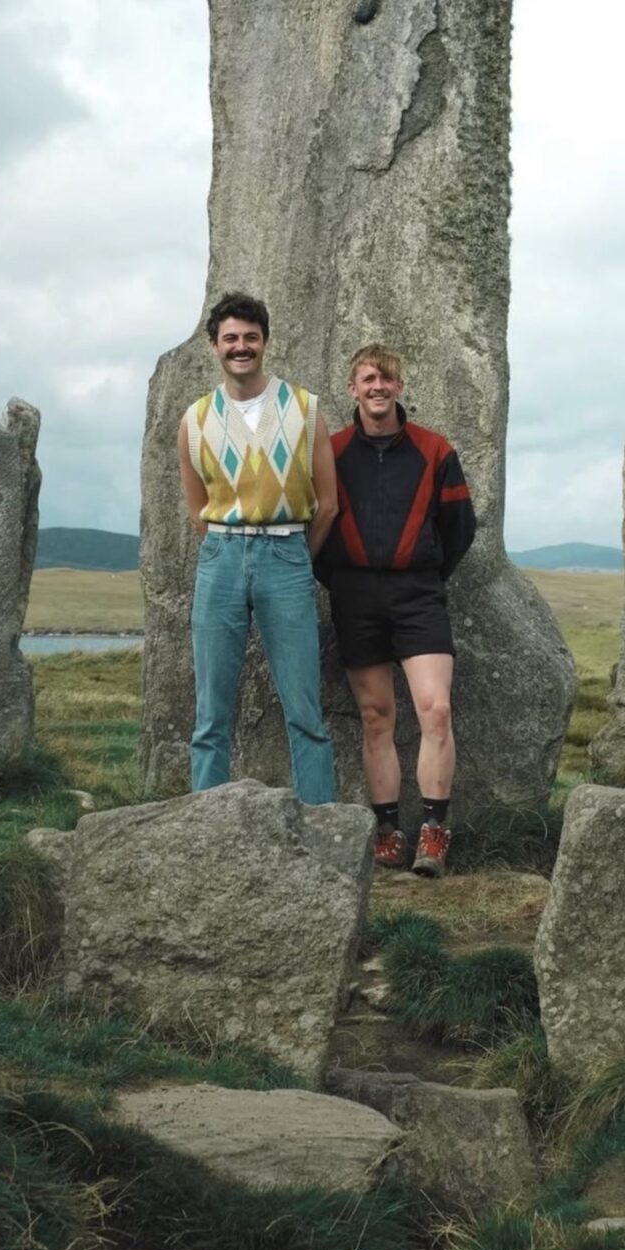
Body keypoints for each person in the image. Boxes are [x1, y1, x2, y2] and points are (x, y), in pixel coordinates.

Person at [316, 345, 475, 876]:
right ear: (352, 388)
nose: (377, 387)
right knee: (375, 717)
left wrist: (423, 569)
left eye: (386, 379)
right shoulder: (331, 451)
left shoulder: (434, 450)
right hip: (354, 596)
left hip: (418, 595)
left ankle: (433, 832)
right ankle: (388, 832)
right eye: (367, 379)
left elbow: (459, 528)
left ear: (400, 387)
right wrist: (340, 576)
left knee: (436, 710)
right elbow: (315, 524)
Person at [177, 291, 339, 804]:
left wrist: (292, 557)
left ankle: (321, 829)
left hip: (287, 553)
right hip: (221, 557)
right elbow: (197, 507)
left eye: (250, 337)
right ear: (213, 346)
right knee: (210, 715)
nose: (240, 346)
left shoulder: (306, 410)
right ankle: (206, 829)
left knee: (305, 712)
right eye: (230, 338)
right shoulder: (194, 420)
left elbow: (328, 503)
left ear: (265, 342)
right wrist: (233, 547)